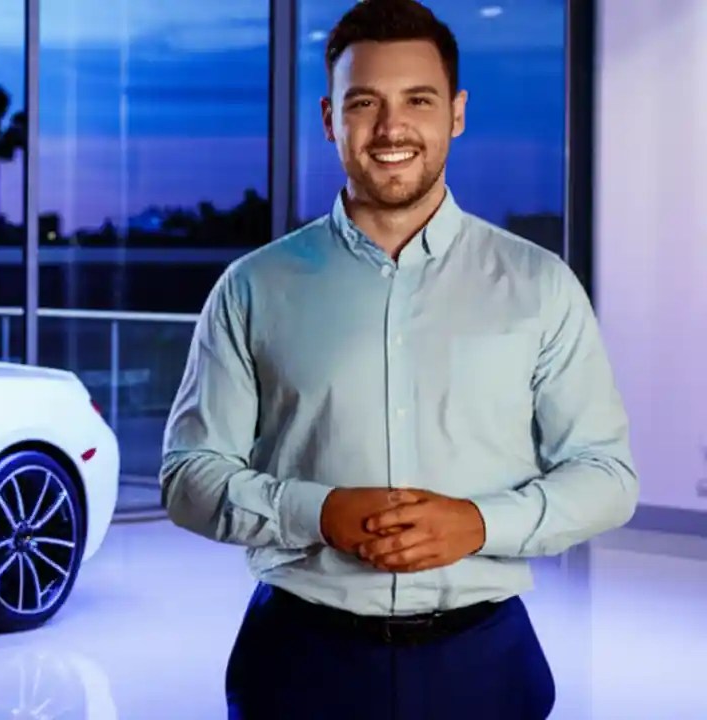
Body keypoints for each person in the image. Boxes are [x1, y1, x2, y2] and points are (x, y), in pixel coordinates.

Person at [159, 1, 638, 718]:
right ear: (330, 117)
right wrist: (318, 513)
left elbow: (607, 475)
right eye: (364, 103)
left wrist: (478, 523)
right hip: (296, 660)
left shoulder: (540, 286)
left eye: (418, 99)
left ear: (457, 112)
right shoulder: (253, 287)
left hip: (487, 661)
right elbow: (188, 476)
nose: (391, 129)